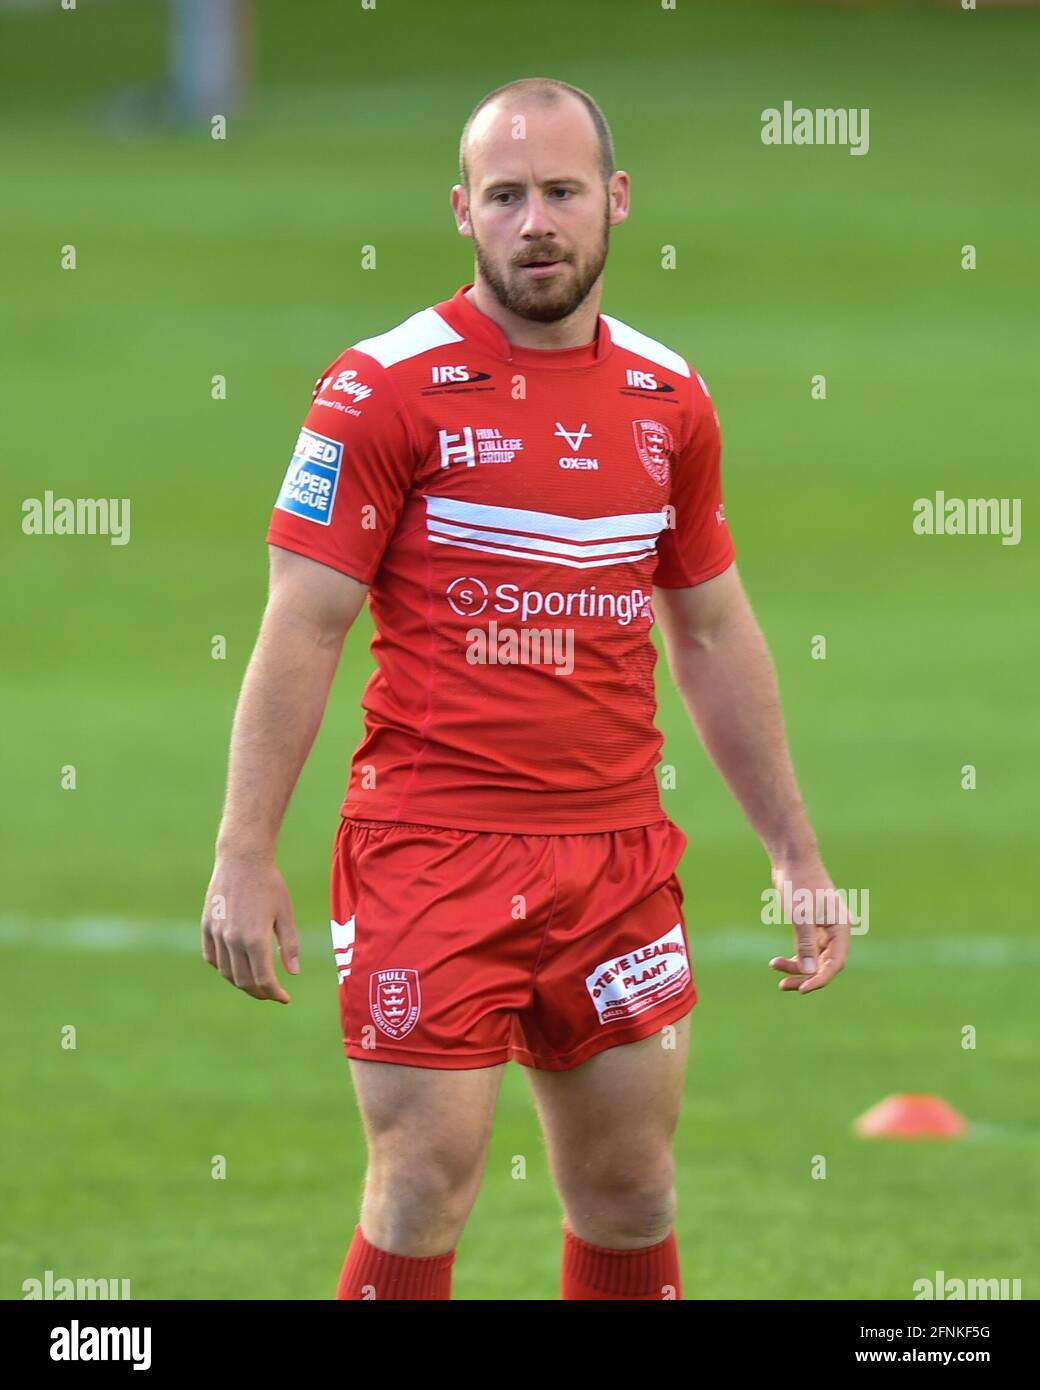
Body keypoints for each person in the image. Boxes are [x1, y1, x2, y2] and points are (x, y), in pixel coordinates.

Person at [201, 76, 850, 1301]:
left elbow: (709, 629)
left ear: (614, 201)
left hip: (614, 859)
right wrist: (244, 849)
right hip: (429, 852)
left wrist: (793, 849)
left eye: (559, 192)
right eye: (505, 196)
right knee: (419, 1182)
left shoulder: (668, 395)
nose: (534, 221)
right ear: (462, 210)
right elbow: (303, 624)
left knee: (630, 1190)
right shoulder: (380, 387)